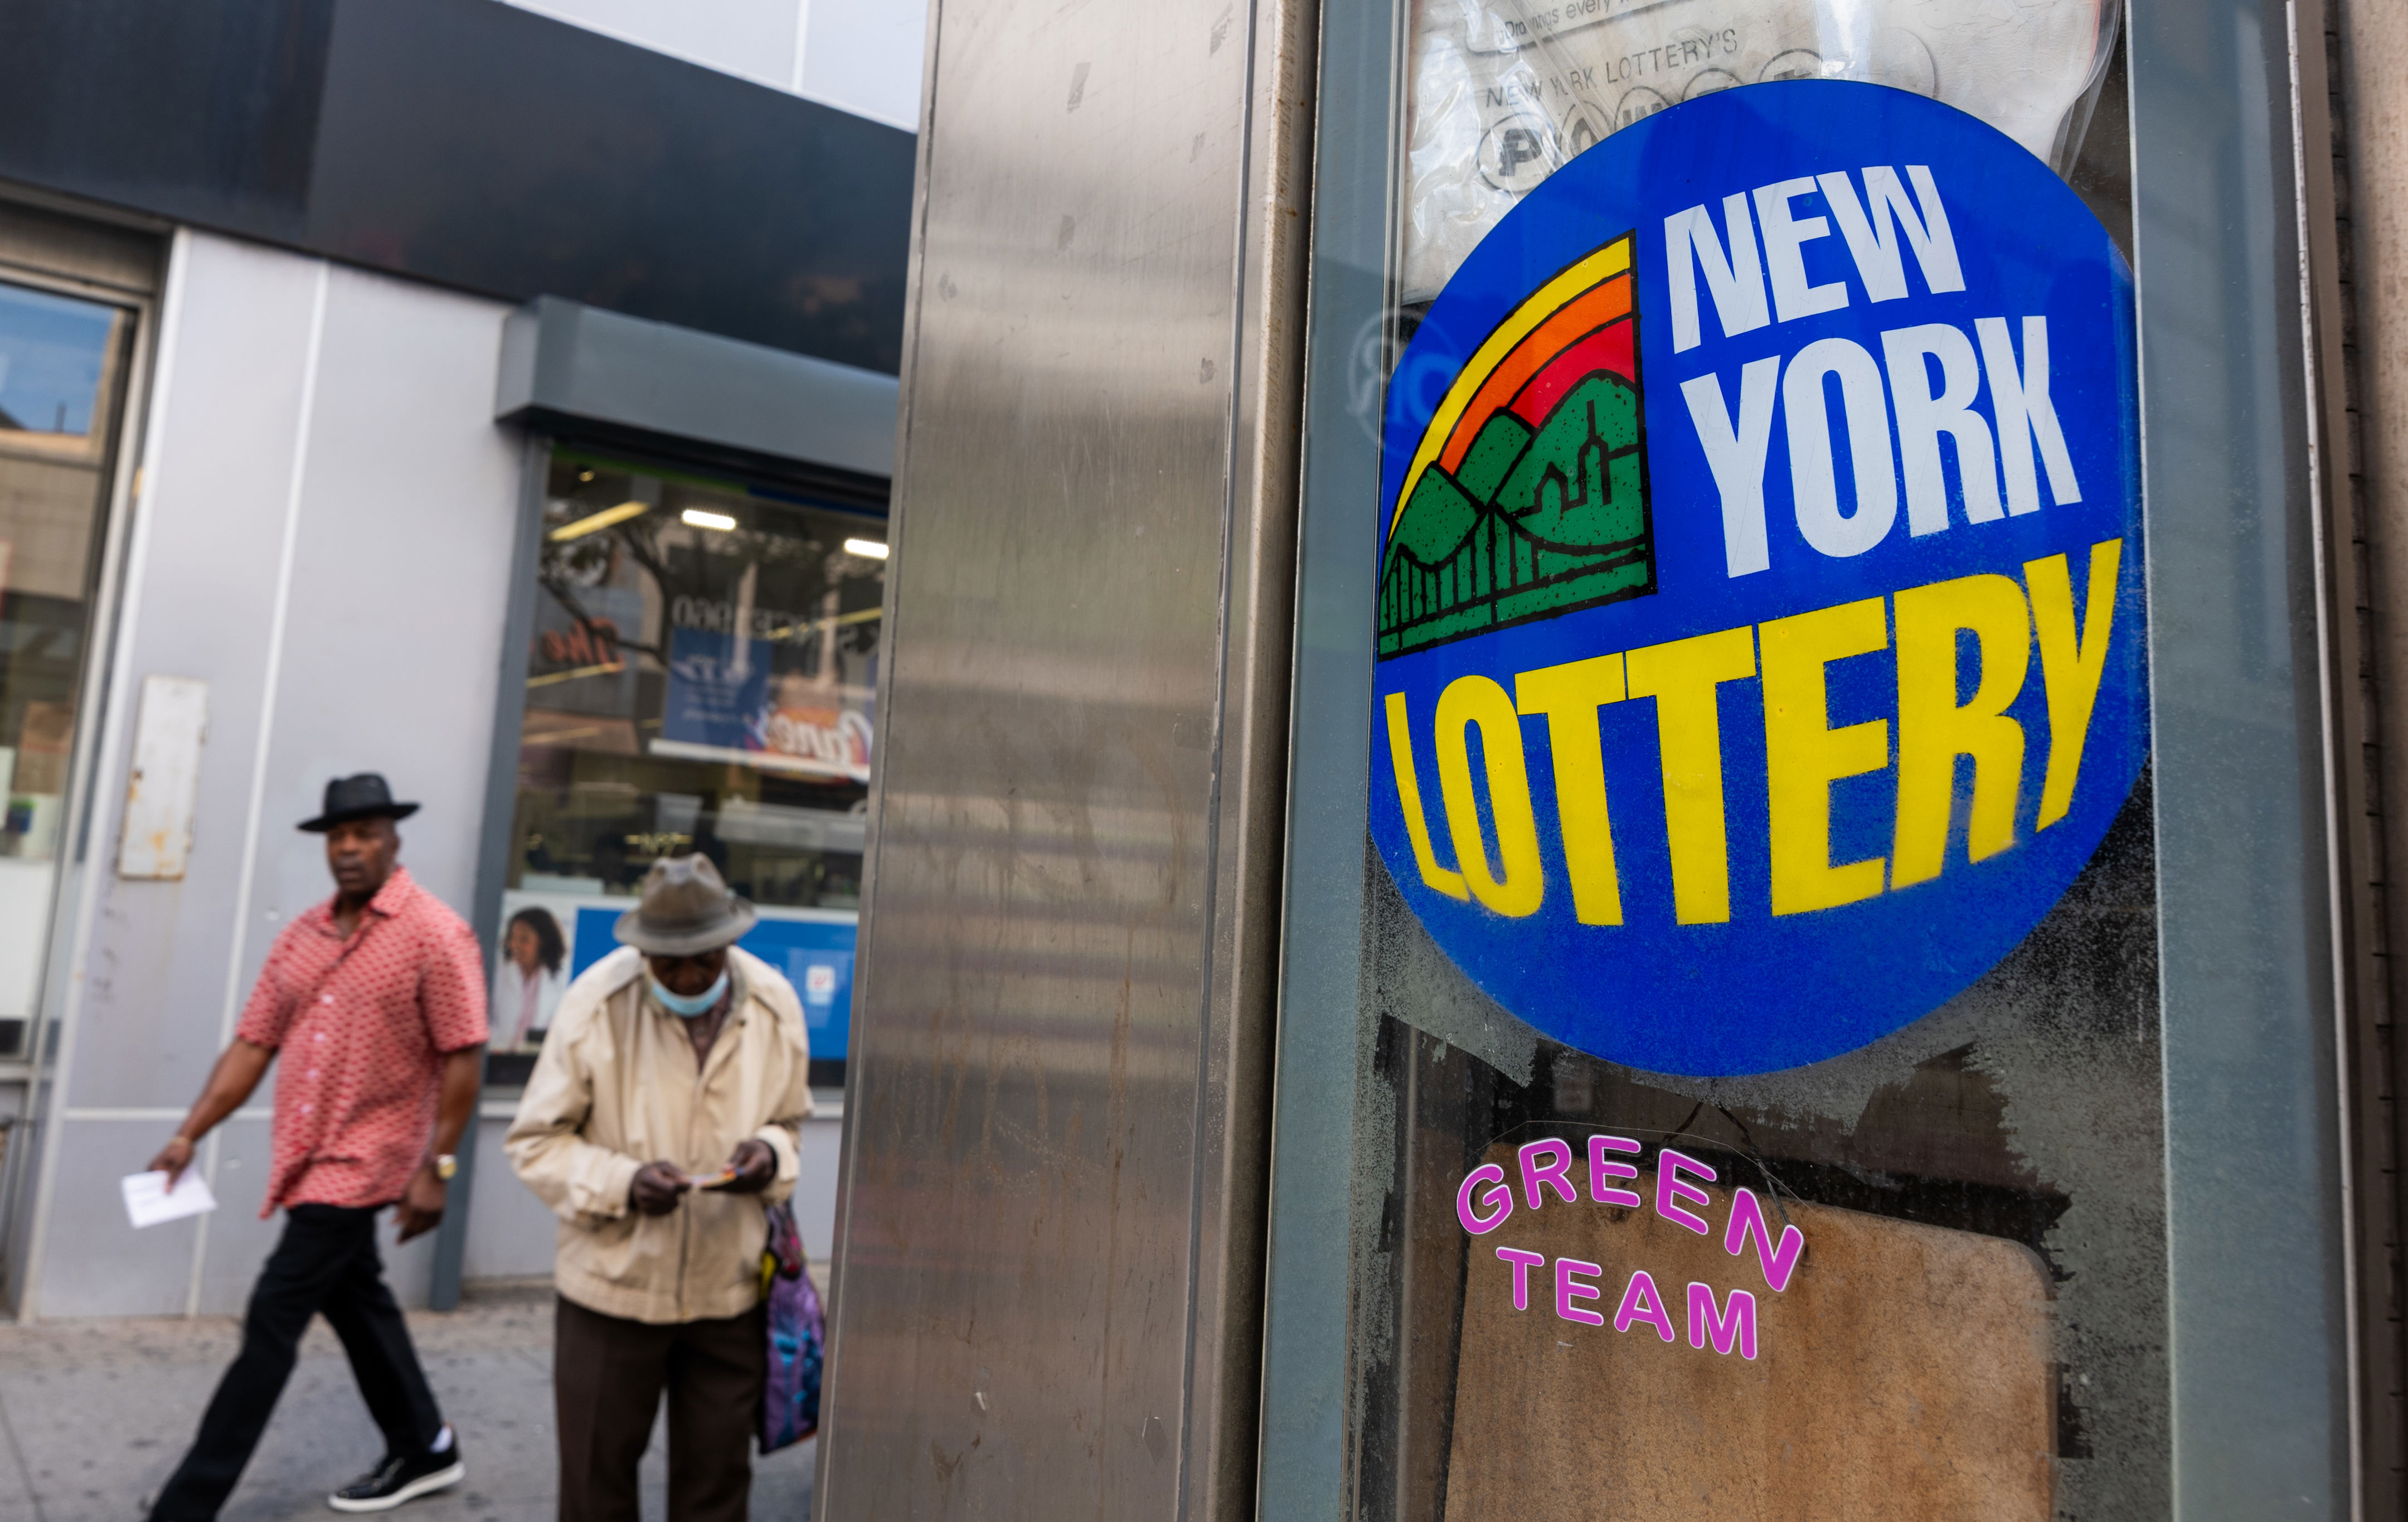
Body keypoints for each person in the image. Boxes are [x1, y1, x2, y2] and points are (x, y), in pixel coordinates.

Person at [147, 773, 488, 1520]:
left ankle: (186, 1503)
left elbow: (464, 1052)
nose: (350, 848)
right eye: (339, 835)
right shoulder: (301, 935)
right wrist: (187, 1133)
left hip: (366, 1159)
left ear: (395, 840)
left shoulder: (435, 932)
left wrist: (441, 1165)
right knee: (357, 1298)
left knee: (273, 1318)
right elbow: (252, 1042)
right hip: (306, 1158)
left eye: (366, 833)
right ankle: (425, 1443)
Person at [506, 854, 812, 1522]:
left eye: (703, 959)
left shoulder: (774, 1003)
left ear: (728, 941)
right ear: (643, 949)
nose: (687, 975)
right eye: (667, 962)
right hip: (611, 1291)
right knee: (595, 1487)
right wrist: (623, 1181)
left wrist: (770, 1152)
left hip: (726, 1292)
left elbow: (792, 1121)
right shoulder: (595, 1002)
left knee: (716, 1487)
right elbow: (535, 1142)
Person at [496, 905, 567, 1050]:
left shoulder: (558, 981)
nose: (515, 945)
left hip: (535, 1060)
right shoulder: (498, 975)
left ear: (544, 942)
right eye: (512, 938)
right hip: (498, 1057)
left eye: (524, 939)